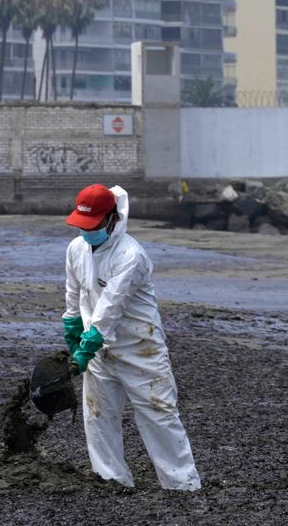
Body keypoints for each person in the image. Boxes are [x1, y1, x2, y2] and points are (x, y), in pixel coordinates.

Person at [62, 183, 201, 491]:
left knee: (159, 415)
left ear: (112, 218)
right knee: (98, 418)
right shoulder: (76, 249)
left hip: (140, 348)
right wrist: (71, 325)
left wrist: (86, 347)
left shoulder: (131, 255)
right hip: (96, 349)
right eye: (82, 226)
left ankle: (182, 486)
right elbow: (74, 293)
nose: (86, 232)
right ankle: (111, 480)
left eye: (93, 225)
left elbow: (111, 306)